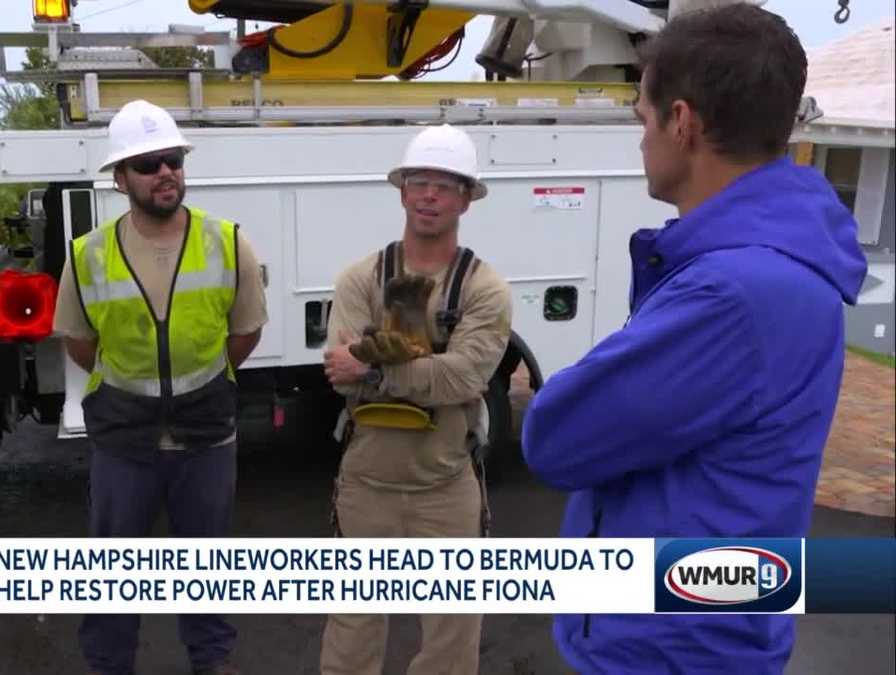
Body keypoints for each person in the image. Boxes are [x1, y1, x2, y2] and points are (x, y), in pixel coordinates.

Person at [520, 5, 867, 674]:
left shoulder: (730, 294)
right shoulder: (778, 265)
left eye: (643, 121)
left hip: (670, 648)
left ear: (683, 122)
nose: (641, 140)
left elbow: (555, 438)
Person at [52, 99, 268, 675]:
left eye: (171, 159)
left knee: (206, 570)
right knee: (114, 576)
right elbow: (79, 343)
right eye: (147, 164)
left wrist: (199, 382)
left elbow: (245, 331)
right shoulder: (87, 255)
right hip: (124, 440)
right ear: (120, 179)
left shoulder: (228, 241)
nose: (164, 172)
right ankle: (109, 665)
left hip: (206, 436)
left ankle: (212, 663)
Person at [320, 124, 512, 675]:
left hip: (445, 485)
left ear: (465, 200)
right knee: (351, 631)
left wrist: (375, 369)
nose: (430, 195)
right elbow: (340, 374)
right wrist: (385, 369)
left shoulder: (483, 289)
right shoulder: (361, 278)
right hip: (366, 483)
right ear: (402, 191)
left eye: (445, 185)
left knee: (452, 639)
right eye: (420, 182)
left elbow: (466, 379)